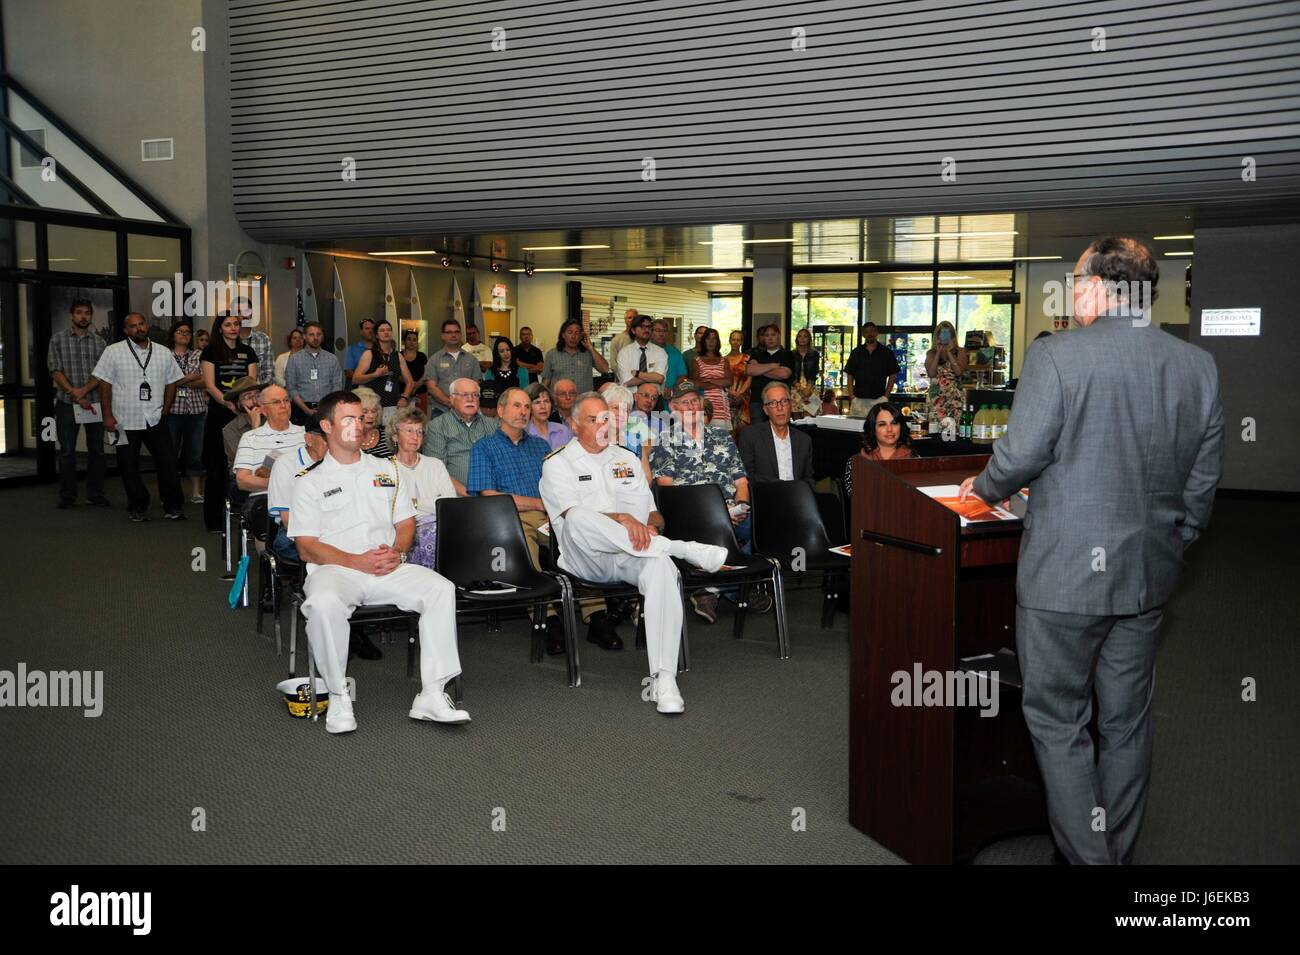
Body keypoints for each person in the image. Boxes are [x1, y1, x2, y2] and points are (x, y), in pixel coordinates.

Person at [957, 236, 1223, 865]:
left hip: (1063, 582)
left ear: (1103, 288)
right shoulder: (1197, 367)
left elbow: (1020, 457)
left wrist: (982, 487)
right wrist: (1171, 545)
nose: (1069, 291)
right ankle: (1115, 852)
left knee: (1058, 722)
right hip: (1147, 581)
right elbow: (1202, 483)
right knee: (1127, 723)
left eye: (1075, 280)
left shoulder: (1057, 357)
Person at [290, 389, 470, 733]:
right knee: (323, 603)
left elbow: (406, 524)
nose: (358, 425)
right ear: (327, 426)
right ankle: (339, 695)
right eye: (348, 419)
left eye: (360, 418)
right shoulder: (310, 482)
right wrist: (356, 561)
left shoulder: (387, 470)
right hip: (336, 570)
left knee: (440, 589)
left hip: (386, 566)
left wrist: (399, 551)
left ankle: (431, 694)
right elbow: (306, 547)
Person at [540, 392, 729, 714]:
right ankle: (683, 548)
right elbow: (572, 520)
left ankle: (663, 678)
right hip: (587, 559)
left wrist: (651, 527)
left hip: (634, 552)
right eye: (592, 419)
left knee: (662, 568)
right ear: (573, 425)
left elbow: (654, 514)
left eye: (605, 418)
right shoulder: (557, 464)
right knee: (579, 517)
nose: (602, 425)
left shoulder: (626, 459)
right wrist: (623, 520)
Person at [650, 382, 770, 622]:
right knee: (725, 532)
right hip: (690, 515)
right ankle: (731, 589)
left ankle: (710, 589)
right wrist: (718, 513)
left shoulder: (722, 436)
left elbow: (742, 482)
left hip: (731, 512)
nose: (692, 406)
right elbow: (668, 491)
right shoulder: (665, 440)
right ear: (673, 408)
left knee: (761, 526)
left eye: (695, 401)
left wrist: (742, 507)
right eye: (685, 402)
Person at [88, 311, 185, 522]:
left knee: (168, 463)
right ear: (126, 330)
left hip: (155, 417)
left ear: (146, 326)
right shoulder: (113, 352)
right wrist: (107, 416)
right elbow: (105, 385)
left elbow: (172, 381)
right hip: (125, 419)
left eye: (141, 324)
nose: (138, 328)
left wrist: (166, 408)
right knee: (129, 466)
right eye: (133, 326)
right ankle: (138, 505)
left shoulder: (162, 352)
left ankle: (173, 506)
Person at [467, 387, 551, 568]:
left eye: (527, 407)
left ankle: (587, 588)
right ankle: (534, 592)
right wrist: (538, 504)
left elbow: (556, 486)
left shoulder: (541, 446)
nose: (523, 412)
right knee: (522, 544)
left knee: (581, 533)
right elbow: (489, 496)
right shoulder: (484, 447)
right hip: (511, 518)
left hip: (549, 517)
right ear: (500, 410)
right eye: (517, 406)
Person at [48, 297, 108, 509]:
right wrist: (74, 393)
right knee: (67, 451)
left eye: (87, 313)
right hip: (67, 403)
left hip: (93, 404)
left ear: (91, 316)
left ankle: (95, 494)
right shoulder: (58, 340)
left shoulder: (100, 342)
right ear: (72, 316)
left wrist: (83, 391)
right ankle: (67, 496)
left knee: (97, 451)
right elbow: (55, 370)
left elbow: (102, 373)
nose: (83, 316)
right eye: (79, 312)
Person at [200, 312, 259, 531]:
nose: (233, 328)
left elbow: (251, 384)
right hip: (220, 412)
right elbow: (210, 385)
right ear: (220, 328)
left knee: (246, 464)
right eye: (228, 325)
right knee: (216, 468)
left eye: (236, 324)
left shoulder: (248, 352)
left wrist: (243, 406)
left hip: (245, 413)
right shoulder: (210, 351)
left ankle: (250, 517)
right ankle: (214, 521)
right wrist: (228, 404)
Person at [388, 405, 458, 571]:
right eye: (409, 431)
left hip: (440, 524)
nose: (415, 437)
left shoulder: (435, 464)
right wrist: (431, 504)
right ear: (395, 437)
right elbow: (390, 508)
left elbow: (449, 503)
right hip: (403, 529)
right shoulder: (386, 468)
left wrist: (415, 502)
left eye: (419, 432)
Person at [421, 377, 499, 493]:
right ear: (452, 399)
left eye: (475, 395)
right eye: (464, 395)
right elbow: (436, 471)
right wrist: (470, 496)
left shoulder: (493, 425)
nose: (471, 399)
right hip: (458, 498)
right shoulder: (437, 427)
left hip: (495, 494)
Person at [267, 420, 327, 562]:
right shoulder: (285, 463)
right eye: (325, 438)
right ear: (309, 439)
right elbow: (287, 519)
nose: (332, 443)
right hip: (294, 532)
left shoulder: (339, 462)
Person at [232, 385, 306, 494]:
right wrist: (278, 483)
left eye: (286, 400)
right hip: (265, 499)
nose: (283, 405)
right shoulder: (250, 437)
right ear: (263, 410)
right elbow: (242, 480)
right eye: (276, 402)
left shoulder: (305, 434)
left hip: (303, 497)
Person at [738, 382, 814, 488]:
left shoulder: (804, 440)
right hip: (766, 498)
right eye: (773, 403)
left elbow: (809, 479)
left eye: (784, 401)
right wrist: (781, 487)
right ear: (765, 410)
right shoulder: (751, 436)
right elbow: (746, 477)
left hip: (796, 499)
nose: (780, 408)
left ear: (791, 405)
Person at [165, 320, 207, 503]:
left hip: (196, 411)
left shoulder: (199, 355)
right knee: (170, 453)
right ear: (173, 334)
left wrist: (176, 380)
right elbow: (162, 381)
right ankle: (171, 492)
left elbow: (205, 381)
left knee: (196, 453)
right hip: (172, 410)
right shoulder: (164, 355)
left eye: (188, 332)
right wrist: (190, 377)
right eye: (180, 331)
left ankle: (196, 491)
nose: (184, 334)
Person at [843, 401, 913, 497]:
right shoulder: (856, 462)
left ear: (901, 426)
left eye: (894, 423)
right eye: (882, 424)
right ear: (873, 429)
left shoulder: (914, 459)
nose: (889, 429)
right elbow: (856, 500)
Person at [352, 319, 415, 427]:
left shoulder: (398, 356)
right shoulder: (369, 354)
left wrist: (404, 397)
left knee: (391, 440)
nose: (386, 332)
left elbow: (410, 381)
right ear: (376, 335)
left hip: (393, 406)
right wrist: (374, 375)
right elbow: (355, 379)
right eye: (382, 330)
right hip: (372, 408)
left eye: (389, 330)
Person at [285, 321, 343, 425]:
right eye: (311, 334)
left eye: (318, 334)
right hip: (301, 410)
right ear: (305, 336)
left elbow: (337, 385)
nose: (315, 338)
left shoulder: (332, 359)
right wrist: (306, 409)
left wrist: (328, 407)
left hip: (326, 409)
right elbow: (291, 388)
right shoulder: (294, 359)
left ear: (323, 336)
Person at [423, 319, 482, 416]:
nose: (453, 335)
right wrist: (450, 402)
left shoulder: (472, 360)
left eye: (456, 332)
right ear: (443, 336)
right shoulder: (434, 360)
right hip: (441, 411)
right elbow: (431, 387)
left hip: (467, 411)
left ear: (461, 335)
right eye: (449, 332)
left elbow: (476, 385)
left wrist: (463, 403)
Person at [843, 321, 900, 415]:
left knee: (877, 427)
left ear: (877, 333)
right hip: (858, 400)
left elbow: (893, 375)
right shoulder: (856, 353)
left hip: (879, 399)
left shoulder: (886, 353)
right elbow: (850, 375)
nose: (869, 334)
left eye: (872, 331)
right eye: (866, 331)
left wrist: (886, 396)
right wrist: (852, 397)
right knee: (856, 428)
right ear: (863, 335)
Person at [541, 317, 610, 392]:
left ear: (581, 336)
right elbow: (545, 383)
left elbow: (605, 369)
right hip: (559, 401)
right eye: (570, 332)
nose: (573, 336)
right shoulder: (552, 354)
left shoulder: (588, 353)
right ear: (563, 335)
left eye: (577, 333)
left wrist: (591, 348)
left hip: (584, 401)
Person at [745, 324, 796, 424]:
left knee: (780, 431)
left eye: (773, 334)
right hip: (757, 401)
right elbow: (750, 370)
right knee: (759, 434)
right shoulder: (756, 354)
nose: (770, 338)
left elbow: (783, 374)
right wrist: (773, 366)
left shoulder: (787, 354)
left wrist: (760, 368)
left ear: (779, 336)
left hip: (780, 402)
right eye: (767, 335)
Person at [924, 320, 968, 431]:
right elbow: (931, 373)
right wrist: (938, 352)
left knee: (954, 430)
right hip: (936, 397)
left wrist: (950, 352)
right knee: (935, 430)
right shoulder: (931, 353)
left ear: (952, 336)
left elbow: (958, 372)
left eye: (947, 333)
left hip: (955, 397)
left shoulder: (961, 351)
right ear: (937, 336)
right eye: (942, 333)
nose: (944, 336)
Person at [689, 327, 732, 429]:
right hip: (703, 403)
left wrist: (709, 380)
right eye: (708, 338)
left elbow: (729, 381)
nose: (711, 342)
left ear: (718, 342)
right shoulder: (696, 360)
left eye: (714, 339)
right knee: (702, 437)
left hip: (720, 404)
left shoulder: (724, 361)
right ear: (703, 341)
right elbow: (696, 384)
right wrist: (719, 383)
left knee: (720, 439)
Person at [616, 314, 667, 391]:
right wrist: (652, 377)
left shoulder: (660, 352)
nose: (646, 330)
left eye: (649, 327)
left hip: (654, 398)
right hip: (631, 398)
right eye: (642, 327)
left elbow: (660, 379)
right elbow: (627, 382)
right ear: (633, 330)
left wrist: (637, 374)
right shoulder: (624, 353)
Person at [222, 378, 264, 466]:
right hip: (244, 475)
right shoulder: (230, 430)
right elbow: (245, 460)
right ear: (238, 404)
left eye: (257, 395)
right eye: (248, 397)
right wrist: (255, 428)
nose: (255, 401)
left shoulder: (271, 419)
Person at [525, 382, 573, 450]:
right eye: (537, 402)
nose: (543, 406)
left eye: (546, 401)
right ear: (528, 406)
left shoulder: (563, 430)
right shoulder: (524, 433)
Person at [235, 304, 274, 386]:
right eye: (239, 312)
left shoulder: (263, 339)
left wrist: (258, 391)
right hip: (232, 392)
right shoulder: (229, 339)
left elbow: (269, 372)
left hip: (258, 392)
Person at [351, 386, 394, 458]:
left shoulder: (388, 434)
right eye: (365, 411)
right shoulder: (346, 438)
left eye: (374, 411)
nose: (371, 416)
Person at [725, 329, 752, 432]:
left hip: (743, 398)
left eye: (738, 340)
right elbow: (722, 379)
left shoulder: (747, 358)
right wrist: (730, 392)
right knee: (729, 431)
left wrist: (739, 393)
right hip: (727, 398)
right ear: (729, 341)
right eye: (733, 339)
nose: (735, 342)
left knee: (743, 431)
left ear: (741, 342)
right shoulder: (723, 359)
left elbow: (749, 378)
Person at [652, 319, 688, 392]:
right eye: (658, 330)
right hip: (649, 393)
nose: (661, 334)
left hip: (670, 395)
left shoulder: (675, 352)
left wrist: (672, 389)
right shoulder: (644, 350)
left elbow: (683, 375)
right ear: (651, 332)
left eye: (664, 331)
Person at [792, 328, 820, 415]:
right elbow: (790, 372)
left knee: (811, 417)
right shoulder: (791, 354)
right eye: (800, 336)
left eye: (805, 336)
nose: (802, 339)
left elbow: (814, 371)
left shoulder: (815, 354)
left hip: (810, 387)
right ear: (796, 339)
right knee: (796, 420)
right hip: (795, 387)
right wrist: (799, 387)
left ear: (809, 339)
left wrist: (808, 388)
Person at [343, 318, 376, 383]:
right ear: (361, 332)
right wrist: (366, 380)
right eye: (367, 328)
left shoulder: (380, 349)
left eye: (373, 329)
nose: (370, 331)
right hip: (358, 388)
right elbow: (348, 372)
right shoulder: (352, 349)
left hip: (377, 387)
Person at [401, 329, 428, 395]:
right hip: (403, 393)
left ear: (417, 342)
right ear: (404, 341)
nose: (411, 342)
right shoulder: (399, 356)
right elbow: (397, 374)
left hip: (421, 392)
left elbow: (427, 373)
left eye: (414, 340)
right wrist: (410, 384)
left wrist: (417, 385)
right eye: (409, 339)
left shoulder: (422, 356)